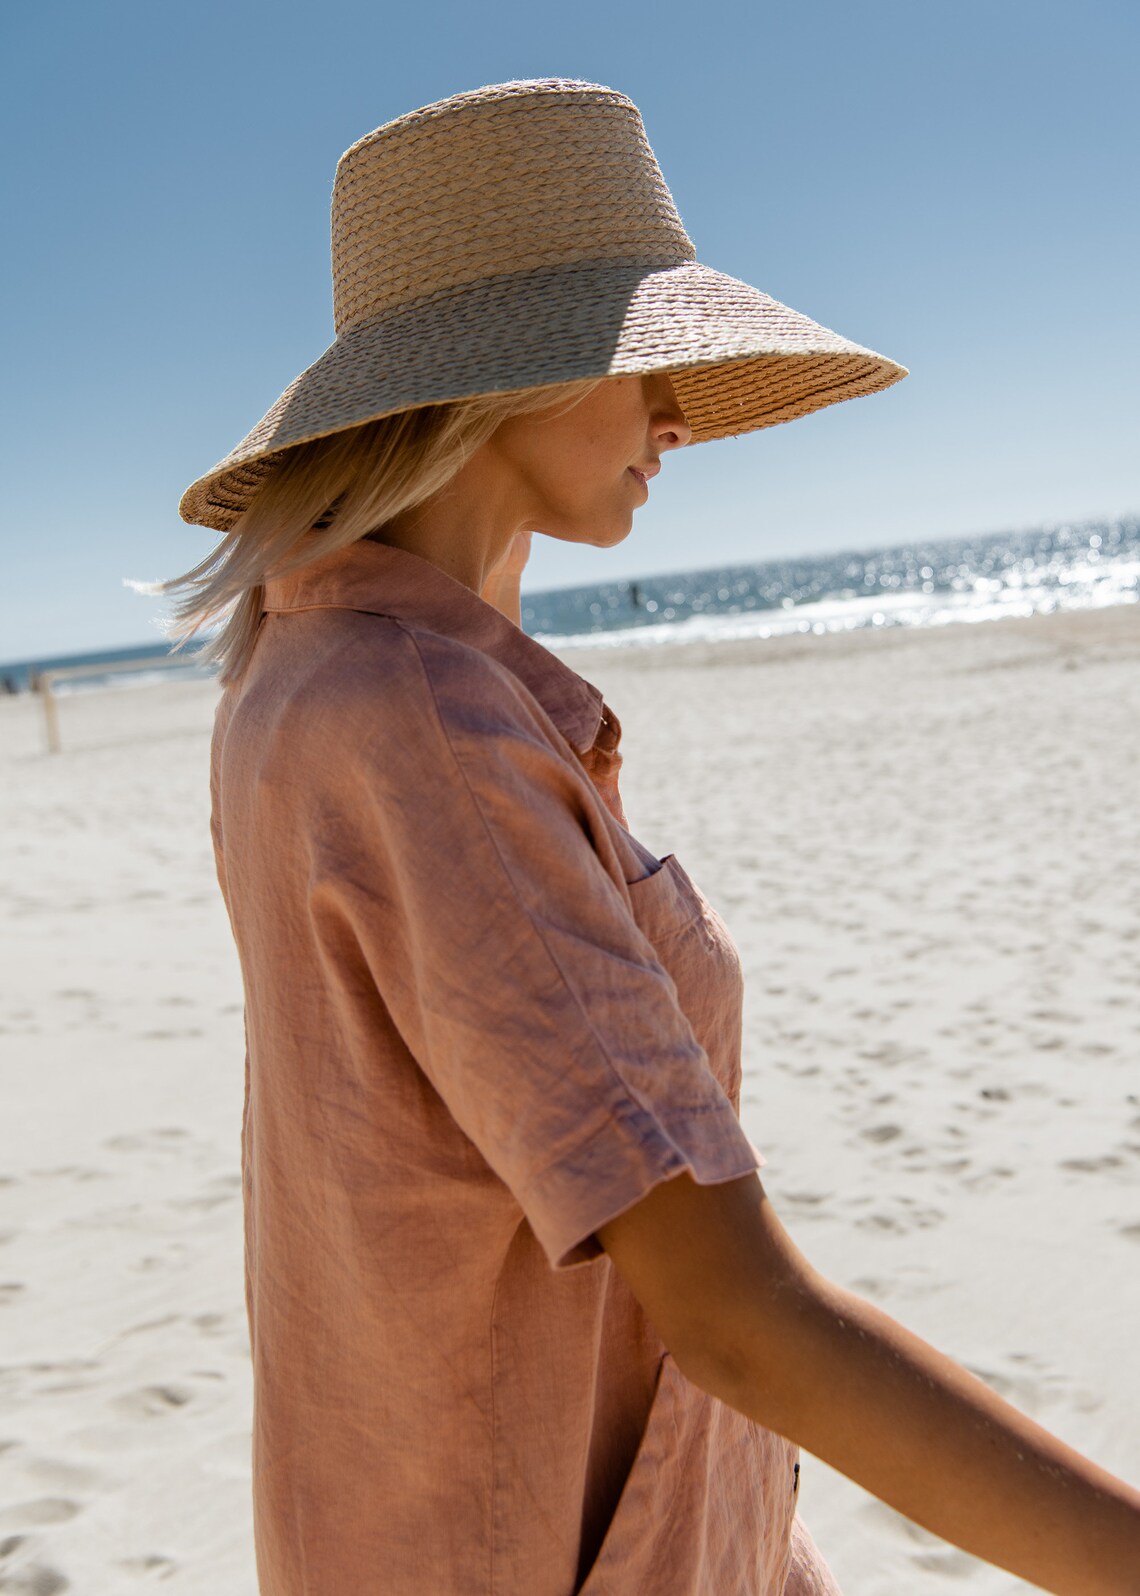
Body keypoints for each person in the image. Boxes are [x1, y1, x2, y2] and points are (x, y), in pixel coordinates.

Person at [165, 81, 1140, 1595]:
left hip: (564, 1514)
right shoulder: (423, 729)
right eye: (641, 365)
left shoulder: (300, 681)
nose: (679, 416)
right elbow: (736, 1318)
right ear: (501, 379)